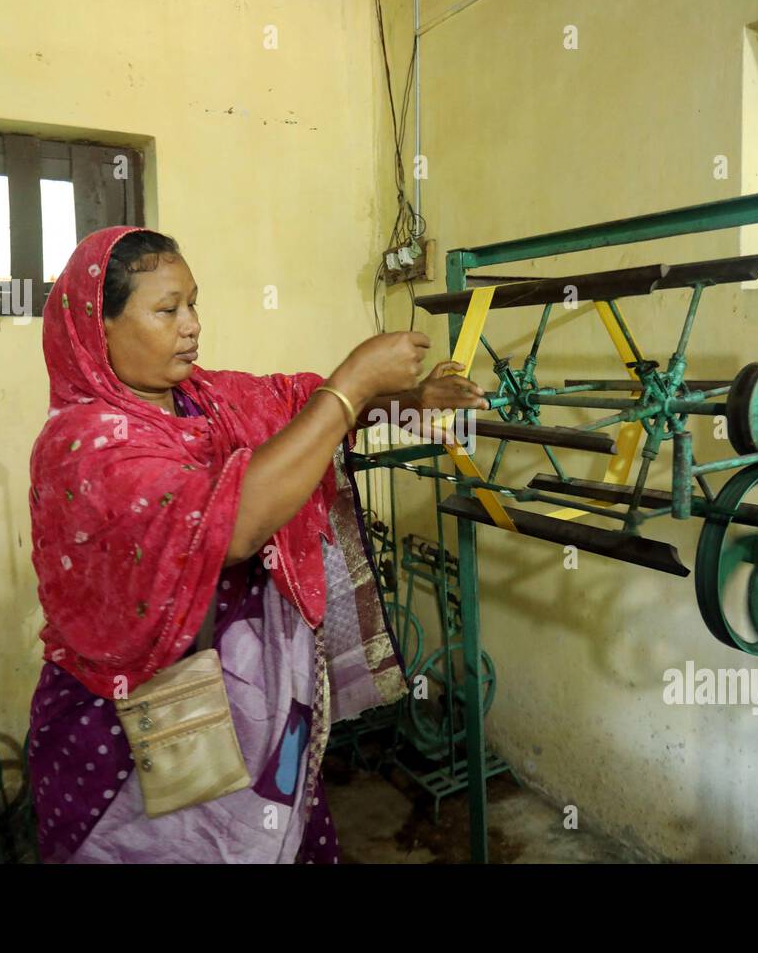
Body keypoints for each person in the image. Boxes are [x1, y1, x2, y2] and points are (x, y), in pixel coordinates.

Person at [26, 225, 487, 863]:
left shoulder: (207, 399)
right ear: (95, 331)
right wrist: (353, 381)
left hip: (256, 707)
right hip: (138, 730)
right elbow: (233, 527)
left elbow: (302, 414)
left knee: (271, 838)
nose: (190, 325)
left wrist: (409, 400)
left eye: (193, 303)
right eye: (166, 310)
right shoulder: (85, 447)